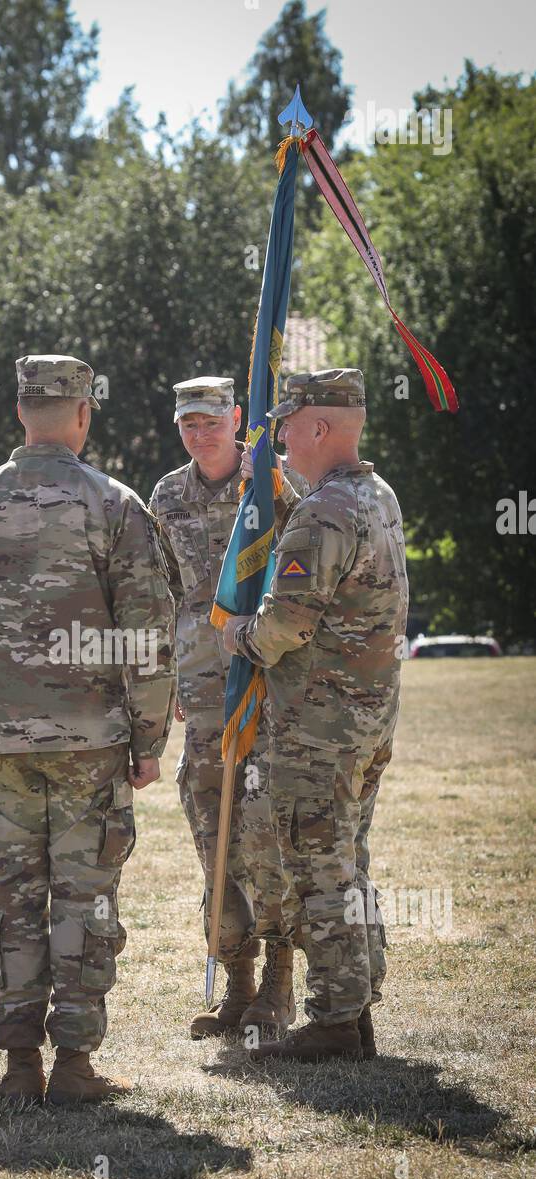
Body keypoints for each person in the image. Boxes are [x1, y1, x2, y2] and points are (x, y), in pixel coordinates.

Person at [0, 355, 176, 1104]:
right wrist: (148, 739)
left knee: (13, 903)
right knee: (83, 902)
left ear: (20, 412)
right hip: (90, 745)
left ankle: (20, 1065)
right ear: (84, 413)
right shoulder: (116, 505)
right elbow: (146, 638)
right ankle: (72, 1066)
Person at [223, 369, 407, 1061]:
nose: (278, 437)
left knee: (319, 866)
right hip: (366, 721)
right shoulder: (375, 495)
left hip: (320, 728)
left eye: (287, 424)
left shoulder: (324, 513)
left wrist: (232, 635)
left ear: (320, 427)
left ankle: (333, 1020)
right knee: (349, 860)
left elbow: (283, 630)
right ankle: (354, 1007)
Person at [150, 376, 306, 1040]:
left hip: (270, 683)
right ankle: (235, 986)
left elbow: (308, 553)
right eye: (188, 423)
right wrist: (171, 681)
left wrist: (273, 482)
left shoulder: (270, 480)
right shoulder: (166, 496)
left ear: (236, 417)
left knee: (266, 832)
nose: (200, 433)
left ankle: (277, 985)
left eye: (212, 421)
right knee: (212, 832)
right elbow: (161, 593)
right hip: (204, 693)